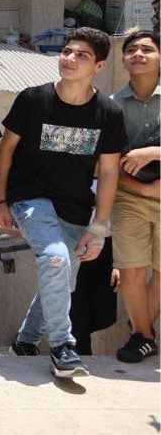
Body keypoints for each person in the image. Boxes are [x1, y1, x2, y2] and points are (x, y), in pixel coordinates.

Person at [0, 27, 126, 378]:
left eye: (81, 55)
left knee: (61, 278)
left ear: (99, 66)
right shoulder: (33, 99)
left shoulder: (108, 114)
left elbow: (110, 173)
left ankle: (24, 342)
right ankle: (62, 346)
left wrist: (99, 226)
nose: (69, 59)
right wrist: (1, 199)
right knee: (54, 258)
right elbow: (5, 151)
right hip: (30, 198)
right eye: (67, 51)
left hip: (76, 208)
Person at [109, 30, 161, 363]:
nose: (139, 53)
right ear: (124, 59)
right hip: (129, 197)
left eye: (147, 49)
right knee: (130, 270)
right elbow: (106, 166)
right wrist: (145, 188)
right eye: (132, 50)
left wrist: (152, 152)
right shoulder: (112, 106)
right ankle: (143, 334)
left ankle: (141, 325)